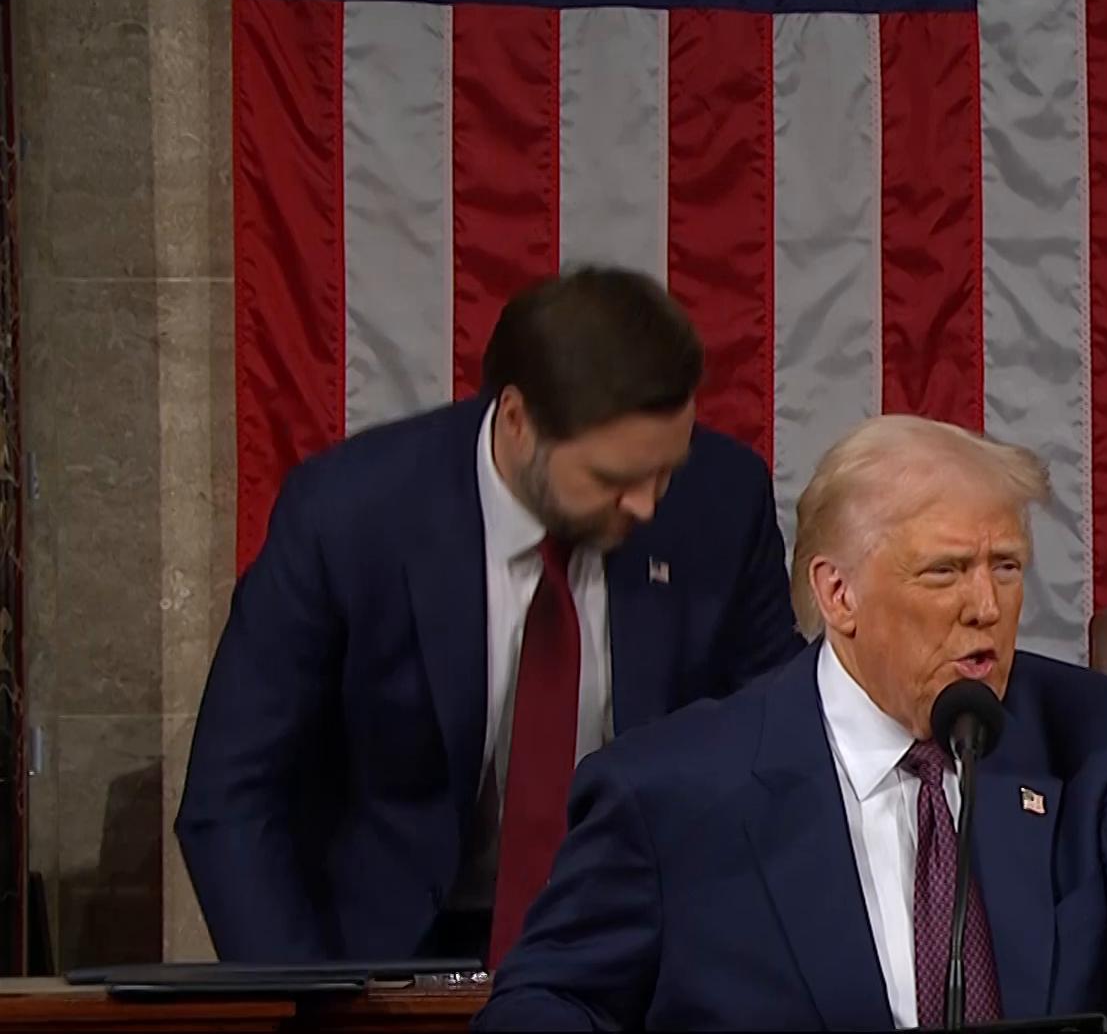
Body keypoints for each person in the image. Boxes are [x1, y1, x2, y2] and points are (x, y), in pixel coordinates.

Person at [473, 416, 1107, 1032]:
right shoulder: (671, 791)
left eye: (1006, 567)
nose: (986, 607)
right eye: (944, 572)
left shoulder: (1075, 735)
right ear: (837, 594)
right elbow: (548, 1002)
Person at [177, 266, 805, 965]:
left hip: (645, 953)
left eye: (667, 470)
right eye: (613, 479)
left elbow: (779, 757)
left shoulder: (722, 505)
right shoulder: (348, 517)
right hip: (391, 962)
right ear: (516, 421)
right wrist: (300, 1003)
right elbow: (231, 796)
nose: (647, 506)